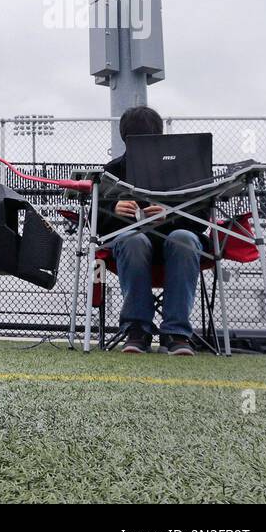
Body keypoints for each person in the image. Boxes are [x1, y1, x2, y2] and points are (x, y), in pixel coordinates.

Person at [100, 106, 205, 356]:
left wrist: (170, 214)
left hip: (175, 242)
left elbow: (201, 219)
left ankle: (176, 332)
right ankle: (138, 329)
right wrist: (113, 208)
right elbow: (96, 222)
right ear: (126, 140)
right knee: (133, 240)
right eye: (136, 142)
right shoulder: (112, 172)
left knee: (184, 239)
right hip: (131, 248)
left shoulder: (184, 170)